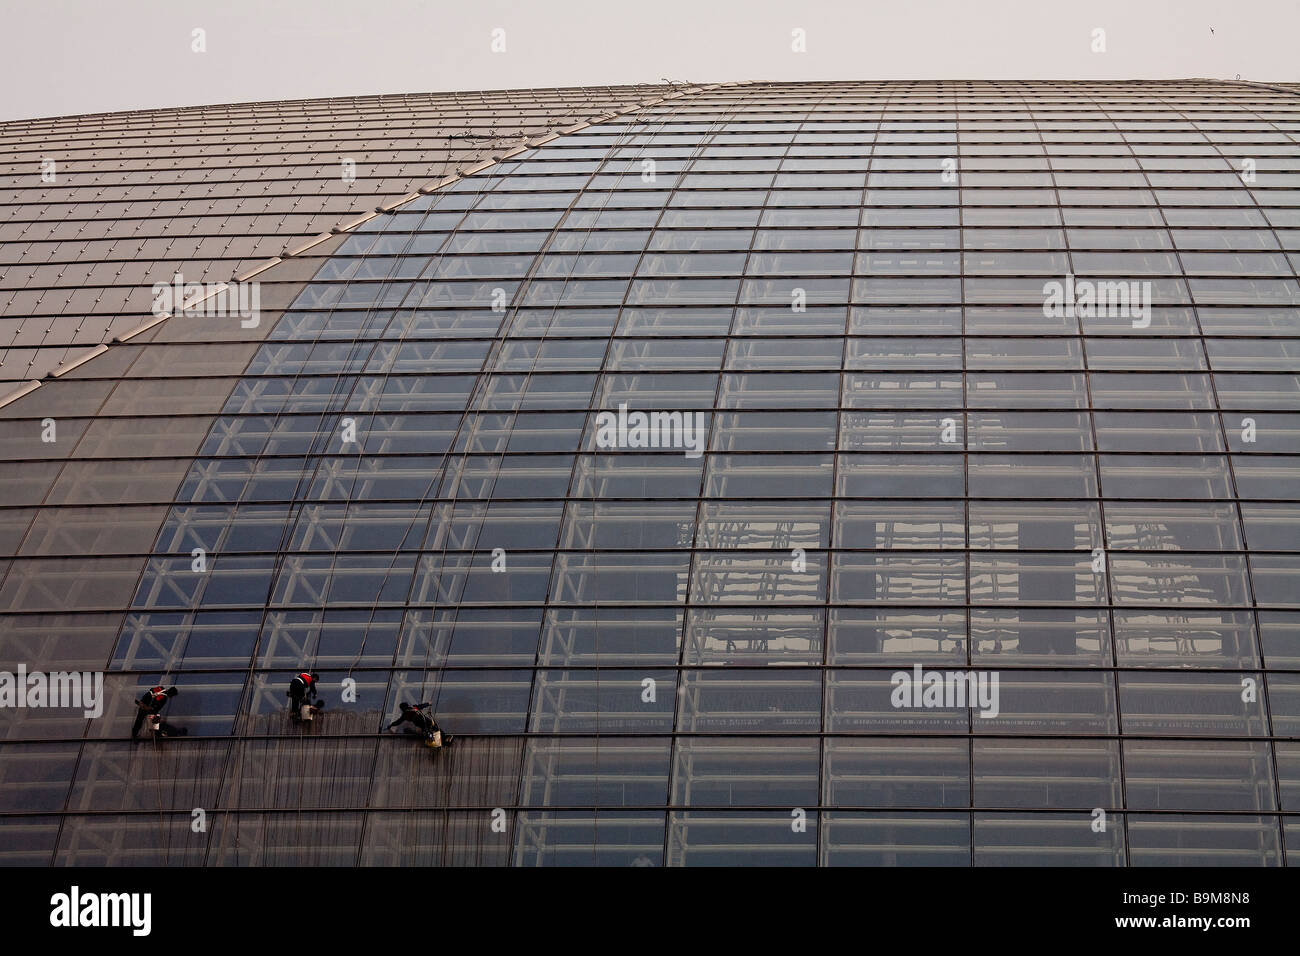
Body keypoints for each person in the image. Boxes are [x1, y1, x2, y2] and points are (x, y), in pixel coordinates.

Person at [386, 701, 453, 747]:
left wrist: (391, 725)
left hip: (422, 725)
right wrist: (428, 703)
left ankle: (438, 741)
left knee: (429, 732)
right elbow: (422, 706)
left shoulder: (405, 715)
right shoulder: (413, 708)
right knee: (436, 729)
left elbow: (398, 722)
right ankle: (445, 739)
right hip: (426, 722)